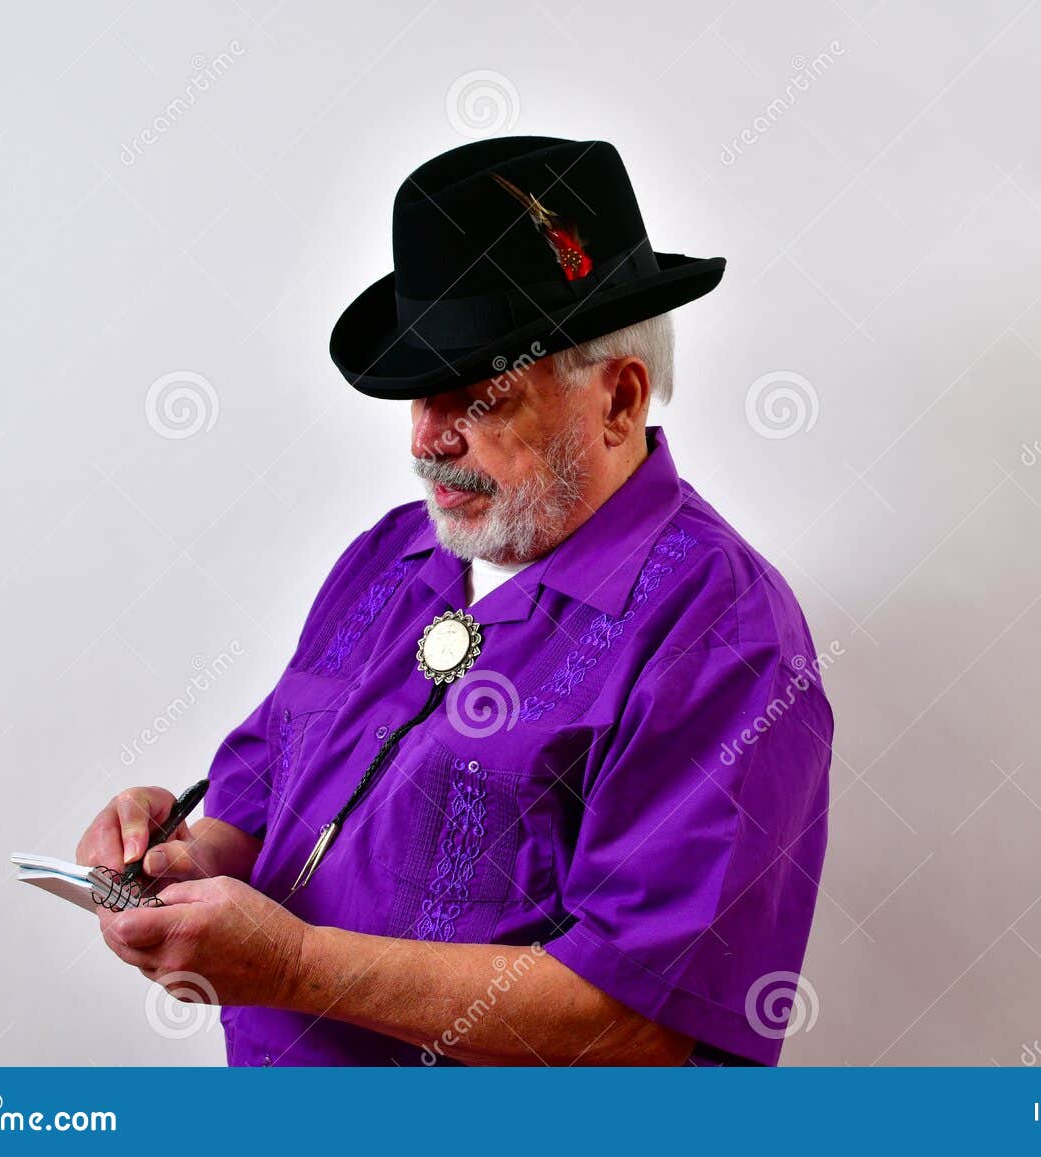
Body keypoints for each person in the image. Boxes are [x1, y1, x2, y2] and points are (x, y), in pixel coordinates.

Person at [76, 136, 833, 1065]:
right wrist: (179, 862)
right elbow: (263, 802)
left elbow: (645, 1023)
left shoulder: (720, 633)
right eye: (419, 393)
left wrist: (294, 965)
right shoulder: (392, 554)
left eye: (480, 397)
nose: (429, 438)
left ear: (619, 401)